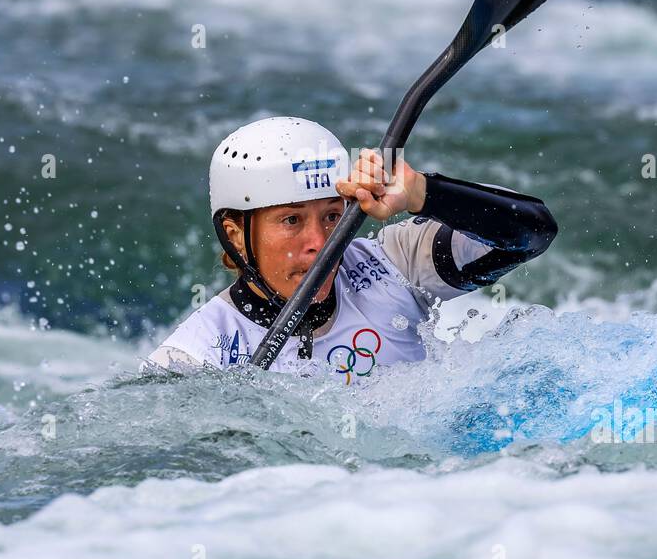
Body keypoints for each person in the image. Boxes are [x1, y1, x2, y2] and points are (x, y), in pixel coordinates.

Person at [145, 116, 557, 376]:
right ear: (235, 234)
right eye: (291, 220)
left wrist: (423, 194)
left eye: (331, 216)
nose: (320, 244)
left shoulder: (396, 264)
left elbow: (531, 234)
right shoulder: (198, 354)